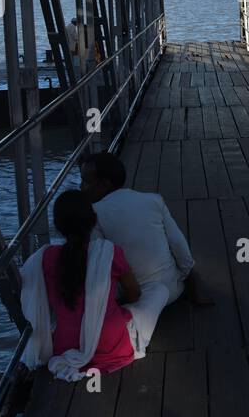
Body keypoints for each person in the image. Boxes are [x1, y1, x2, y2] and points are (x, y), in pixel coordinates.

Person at [80, 151, 212, 358]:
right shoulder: (153, 200)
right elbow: (179, 244)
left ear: (105, 184)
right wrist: (191, 280)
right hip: (171, 290)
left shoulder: (94, 213)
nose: (81, 187)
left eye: (86, 181)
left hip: (130, 295)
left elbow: (101, 261)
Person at [19, 189, 141, 381]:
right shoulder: (109, 253)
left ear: (58, 226)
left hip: (66, 345)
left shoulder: (44, 259)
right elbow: (135, 294)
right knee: (159, 292)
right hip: (111, 347)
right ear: (94, 220)